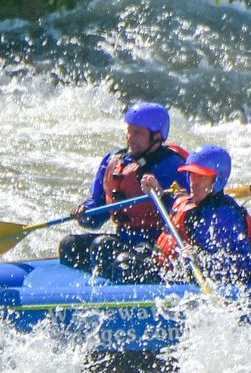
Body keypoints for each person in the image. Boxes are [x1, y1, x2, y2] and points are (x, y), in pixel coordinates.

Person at [59, 102, 189, 279]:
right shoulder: (113, 162)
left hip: (154, 245)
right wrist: (85, 212)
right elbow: (97, 213)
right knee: (69, 246)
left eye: (138, 133)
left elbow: (186, 214)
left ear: (156, 137)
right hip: (125, 241)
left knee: (105, 249)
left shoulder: (172, 166)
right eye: (129, 130)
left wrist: (161, 195)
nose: (130, 138)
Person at [157, 145, 251, 283]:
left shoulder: (223, 218)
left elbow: (237, 267)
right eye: (192, 175)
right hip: (165, 270)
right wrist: (160, 194)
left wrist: (198, 256)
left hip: (199, 281)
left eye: (201, 177)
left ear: (218, 180)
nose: (193, 183)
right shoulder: (193, 202)